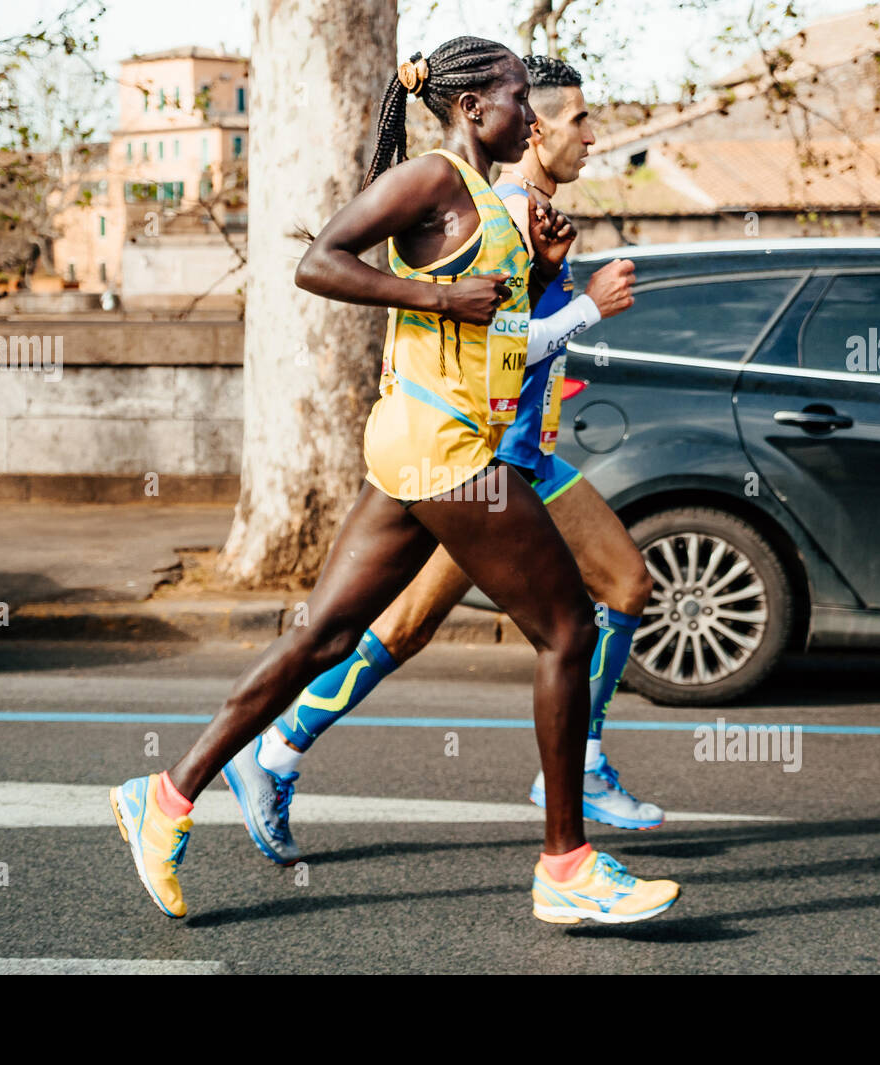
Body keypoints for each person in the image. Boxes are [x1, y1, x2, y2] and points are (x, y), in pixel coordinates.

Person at [110, 36, 680, 925]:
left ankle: (169, 792)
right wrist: (439, 298)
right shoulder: (435, 179)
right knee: (568, 629)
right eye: (518, 100)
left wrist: (547, 273)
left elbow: (498, 344)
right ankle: (566, 864)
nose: (530, 117)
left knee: (325, 637)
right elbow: (317, 262)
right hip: (448, 453)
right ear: (469, 107)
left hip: (422, 448)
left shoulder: (488, 201)